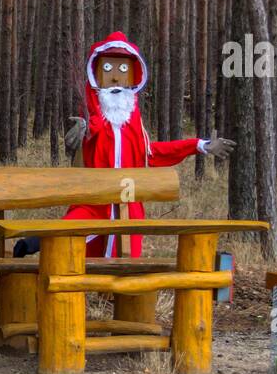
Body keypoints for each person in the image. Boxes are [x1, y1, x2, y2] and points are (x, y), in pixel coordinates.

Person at [14, 31, 235, 259]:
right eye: (108, 69)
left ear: (134, 73)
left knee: (126, 268)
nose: (117, 78)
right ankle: (36, 245)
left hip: (129, 206)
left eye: (123, 69)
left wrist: (199, 145)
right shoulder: (93, 115)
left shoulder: (133, 120)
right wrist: (85, 126)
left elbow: (150, 153)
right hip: (95, 202)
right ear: (97, 73)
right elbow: (92, 128)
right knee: (67, 242)